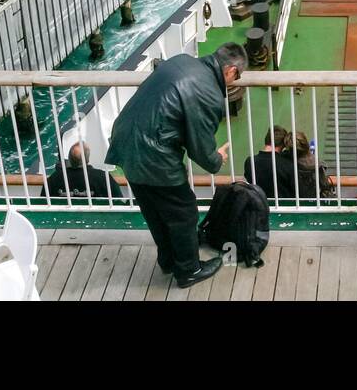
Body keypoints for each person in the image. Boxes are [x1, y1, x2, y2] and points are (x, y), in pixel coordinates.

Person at [105, 42, 247, 288]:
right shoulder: (209, 93)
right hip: (153, 154)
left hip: (125, 141)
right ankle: (189, 270)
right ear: (231, 71)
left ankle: (169, 260)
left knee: (153, 208)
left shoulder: (182, 60)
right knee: (184, 211)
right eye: (238, 76)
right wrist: (217, 159)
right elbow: (200, 149)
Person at [44, 141, 123, 200]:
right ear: (87, 159)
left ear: (69, 159)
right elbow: (119, 201)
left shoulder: (54, 179)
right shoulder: (103, 178)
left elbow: (42, 202)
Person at [243, 126, 297, 201]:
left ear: (266, 140)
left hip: (257, 205)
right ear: (283, 145)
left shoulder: (249, 162)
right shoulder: (287, 165)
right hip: (283, 207)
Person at [292, 131, 336, 199]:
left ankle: (310, 154)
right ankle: (311, 154)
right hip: (314, 199)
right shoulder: (319, 167)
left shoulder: (290, 165)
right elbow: (325, 185)